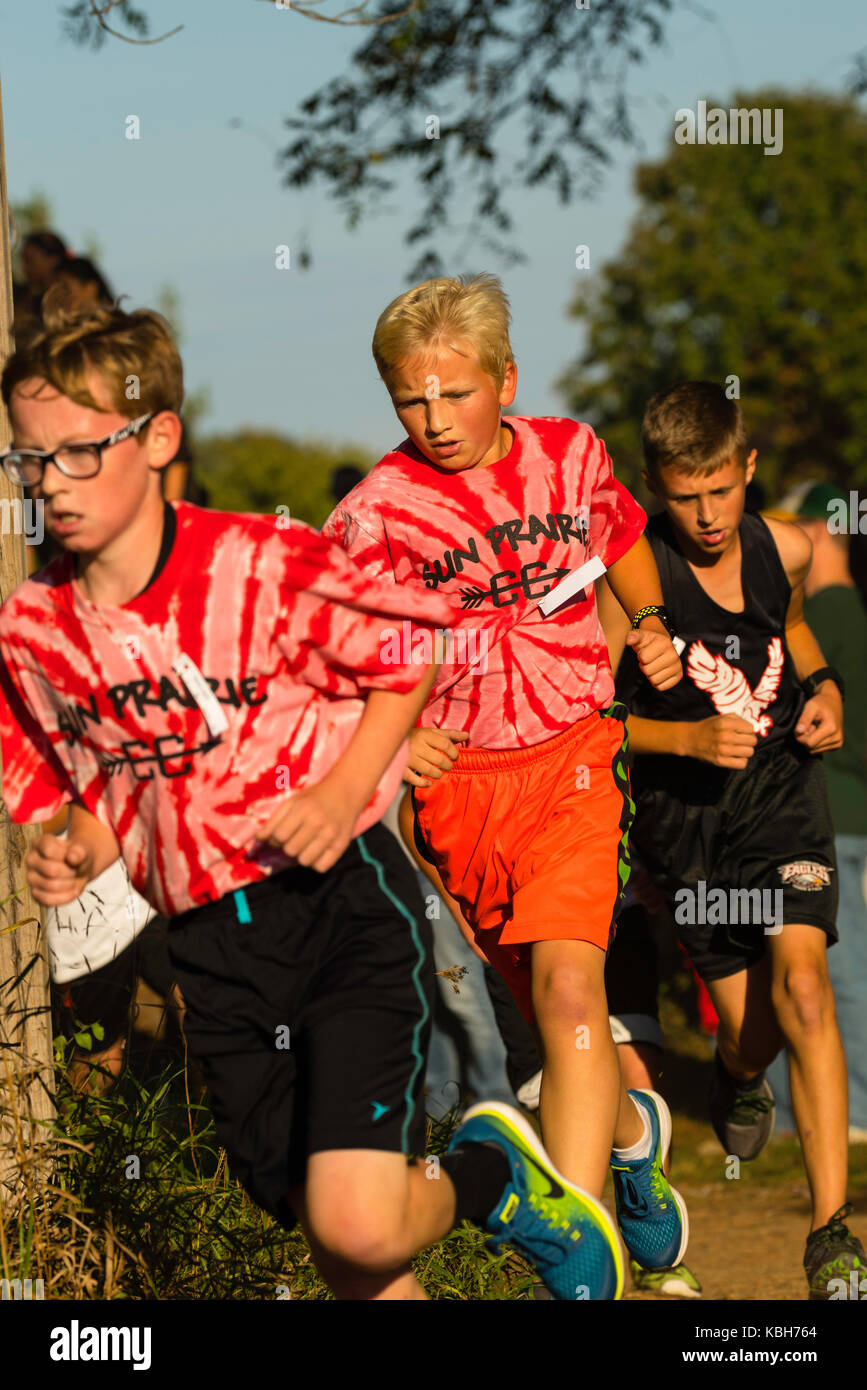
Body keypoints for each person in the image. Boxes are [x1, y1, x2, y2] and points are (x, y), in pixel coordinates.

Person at [0, 299, 616, 1302]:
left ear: (159, 437)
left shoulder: (256, 562)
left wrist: (340, 788)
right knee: (345, 1252)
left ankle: (493, 1174)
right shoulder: (36, 629)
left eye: (81, 451)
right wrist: (79, 844)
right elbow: (101, 785)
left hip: (335, 911)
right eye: (28, 459)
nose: (50, 484)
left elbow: (406, 652)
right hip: (210, 950)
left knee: (358, 1216)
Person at [322, 272, 690, 1299]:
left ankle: (576, 1266)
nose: (433, 419)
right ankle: (631, 1130)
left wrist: (651, 627)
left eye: (455, 393)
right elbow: (332, 660)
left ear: (506, 379)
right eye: (410, 399)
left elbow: (622, 543)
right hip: (461, 796)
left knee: (575, 994)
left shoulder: (571, 455)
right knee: (553, 1024)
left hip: (574, 754)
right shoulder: (373, 516)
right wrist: (389, 743)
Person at [598, 381, 866, 1299]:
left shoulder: (782, 547)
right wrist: (681, 736)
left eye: (722, 489)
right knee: (753, 1031)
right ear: (652, 488)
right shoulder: (627, 580)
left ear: (747, 468)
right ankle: (732, 1074)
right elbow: (593, 722)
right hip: (689, 830)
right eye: (686, 496)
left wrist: (825, 689)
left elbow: (790, 630)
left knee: (804, 986)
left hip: (783, 797)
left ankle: (831, 1235)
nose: (709, 516)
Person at [765, 482, 867, 1140]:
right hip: (841, 814)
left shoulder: (823, 617)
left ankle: (852, 1111)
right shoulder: (848, 611)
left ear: (821, 534)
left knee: (838, 968)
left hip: (828, 815)